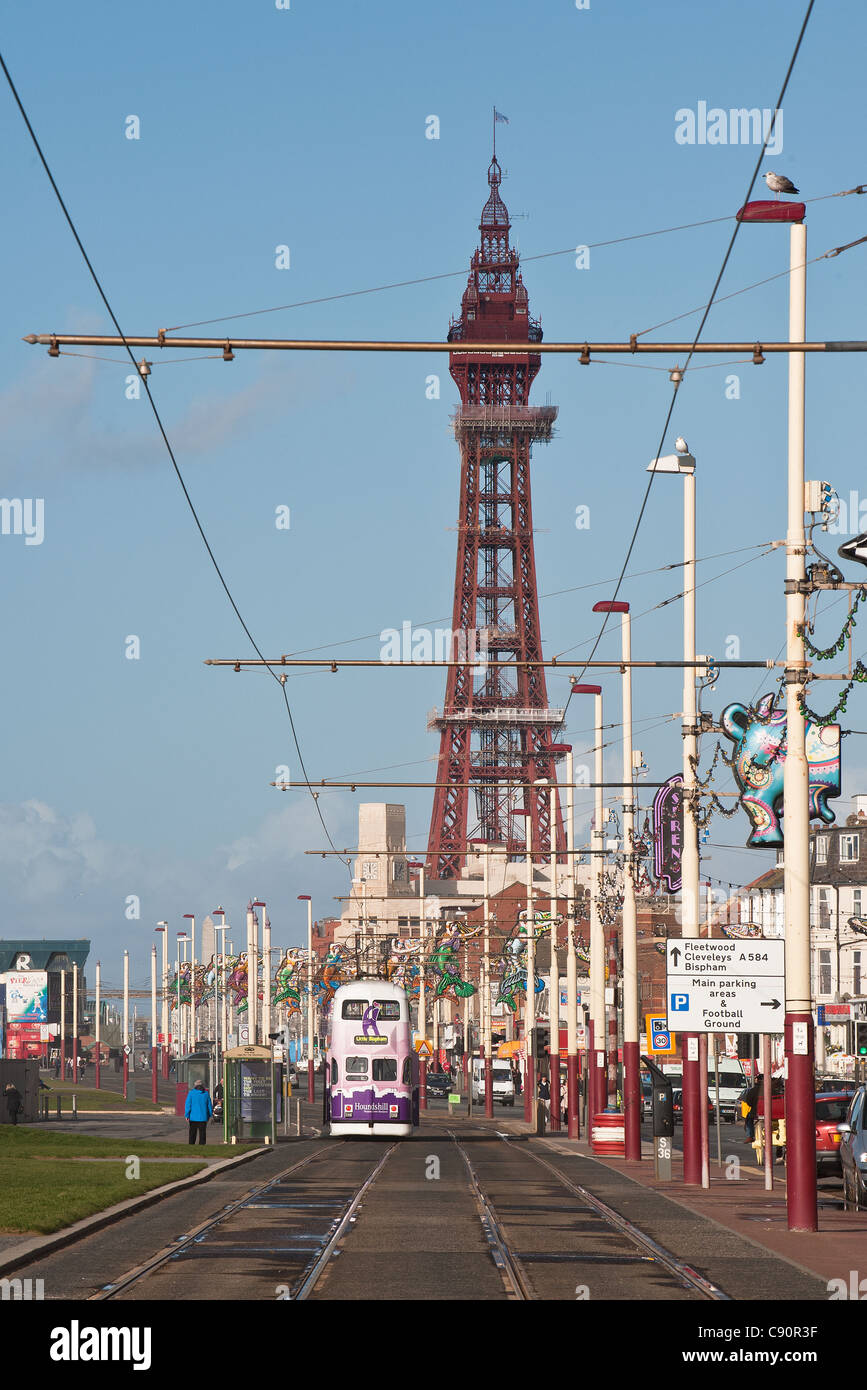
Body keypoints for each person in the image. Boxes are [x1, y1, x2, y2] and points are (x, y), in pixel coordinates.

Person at [185, 1079, 213, 1145]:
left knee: (192, 1133)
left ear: (195, 1086)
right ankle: (202, 1145)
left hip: (193, 1117)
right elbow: (209, 1105)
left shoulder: (191, 1093)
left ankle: (191, 1145)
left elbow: (188, 1105)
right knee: (202, 1133)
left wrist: (187, 1115)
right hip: (203, 1117)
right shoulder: (206, 1094)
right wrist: (210, 1114)